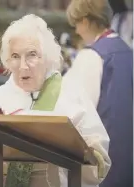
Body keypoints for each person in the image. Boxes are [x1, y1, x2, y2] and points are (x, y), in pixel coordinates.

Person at [0, 14, 111, 187]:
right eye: (16, 56)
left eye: (32, 55)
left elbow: (99, 158)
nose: (23, 66)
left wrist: (78, 152)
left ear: (48, 58)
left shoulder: (71, 94)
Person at [66, 0, 133, 187]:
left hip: (100, 165)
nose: (77, 31)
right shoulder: (127, 52)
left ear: (86, 21)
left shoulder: (91, 56)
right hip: (127, 161)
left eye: (77, 24)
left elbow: (75, 113)